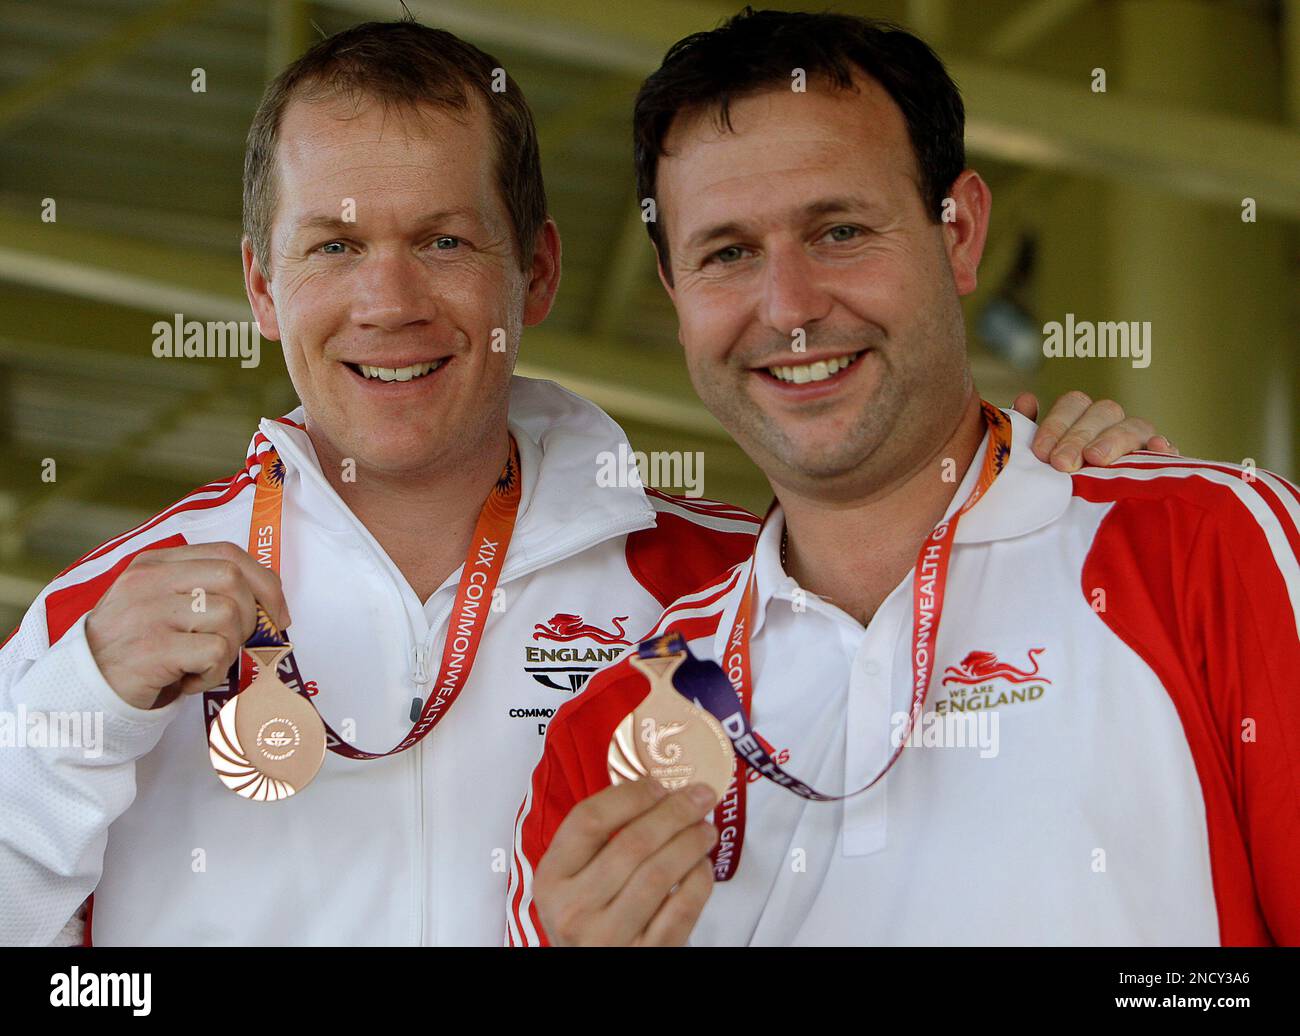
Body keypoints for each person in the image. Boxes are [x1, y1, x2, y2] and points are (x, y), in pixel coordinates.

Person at [0, 18, 1165, 947]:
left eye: (446, 241)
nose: (389, 300)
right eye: (335, 247)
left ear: (537, 271)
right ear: (262, 284)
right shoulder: (105, 615)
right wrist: (84, 709)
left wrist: (1057, 493)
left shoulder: (733, 585)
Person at [509, 9, 1300, 947]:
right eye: (727, 253)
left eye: (840, 230)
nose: (790, 307)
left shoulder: (1217, 551)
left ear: (959, 234)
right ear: (677, 298)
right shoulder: (609, 727)